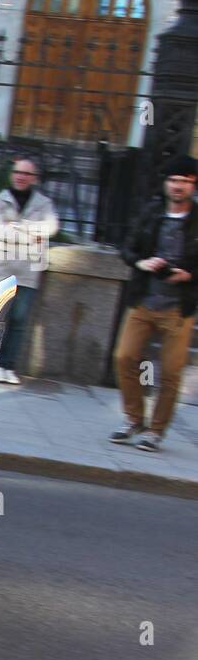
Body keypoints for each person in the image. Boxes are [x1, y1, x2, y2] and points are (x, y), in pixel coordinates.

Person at [110, 154, 198, 452]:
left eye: (185, 181)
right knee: (124, 357)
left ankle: (156, 431)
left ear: (193, 185)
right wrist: (143, 263)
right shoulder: (151, 212)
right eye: (174, 180)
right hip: (143, 300)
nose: (178, 186)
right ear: (166, 183)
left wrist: (188, 274)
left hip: (178, 308)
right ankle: (135, 419)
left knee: (171, 372)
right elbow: (127, 248)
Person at [0, 157, 58, 385]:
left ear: (34, 178)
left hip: (27, 272)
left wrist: (16, 227)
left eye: (26, 173)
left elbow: (51, 228)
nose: (21, 176)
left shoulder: (44, 203)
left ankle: (7, 366)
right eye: (17, 172)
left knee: (19, 322)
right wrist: (31, 234)